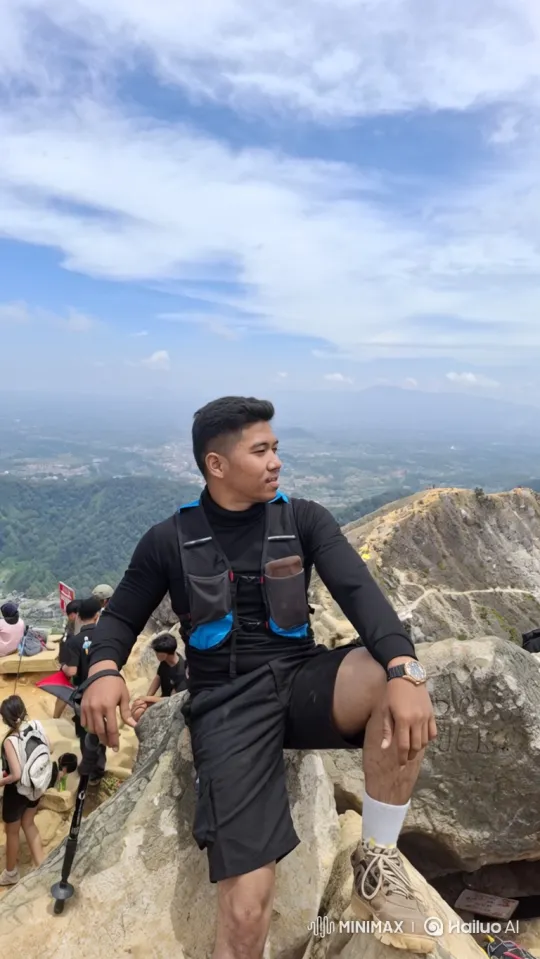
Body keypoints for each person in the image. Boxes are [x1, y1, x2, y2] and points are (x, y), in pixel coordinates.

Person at [81, 396, 438, 958]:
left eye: (276, 448)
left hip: (301, 680)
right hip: (226, 703)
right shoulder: (169, 539)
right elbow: (122, 615)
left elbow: (360, 594)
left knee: (385, 677)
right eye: (262, 450)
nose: (276, 461)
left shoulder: (303, 519)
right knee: (247, 911)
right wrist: (102, 670)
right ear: (216, 464)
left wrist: (405, 669)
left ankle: (378, 859)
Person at [0, 695, 47, 885]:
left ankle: (10, 873)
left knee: (11, 831)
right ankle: (42, 865)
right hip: (37, 785)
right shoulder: (36, 725)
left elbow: (17, 774)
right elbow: (48, 748)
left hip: (18, 792)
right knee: (28, 822)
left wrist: (2, 782)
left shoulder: (9, 740)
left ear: (6, 719)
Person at [61, 596, 106, 786]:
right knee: (100, 728)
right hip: (103, 691)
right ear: (97, 616)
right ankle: (99, 769)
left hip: (83, 694)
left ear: (79, 616)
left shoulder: (74, 641)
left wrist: (63, 666)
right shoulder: (106, 636)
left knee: (85, 732)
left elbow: (71, 671)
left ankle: (88, 770)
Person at [131, 633, 188, 722]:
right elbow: (158, 678)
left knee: (139, 711)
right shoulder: (165, 662)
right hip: (162, 699)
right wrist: (147, 697)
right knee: (138, 704)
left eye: (157, 652)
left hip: (171, 707)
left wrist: (147, 699)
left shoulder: (181, 672)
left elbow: (172, 700)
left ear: (164, 654)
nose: (156, 654)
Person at [55, 599, 82, 719]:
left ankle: (55, 718)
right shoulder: (75, 628)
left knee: (63, 692)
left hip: (70, 664)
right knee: (65, 692)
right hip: (73, 664)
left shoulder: (72, 628)